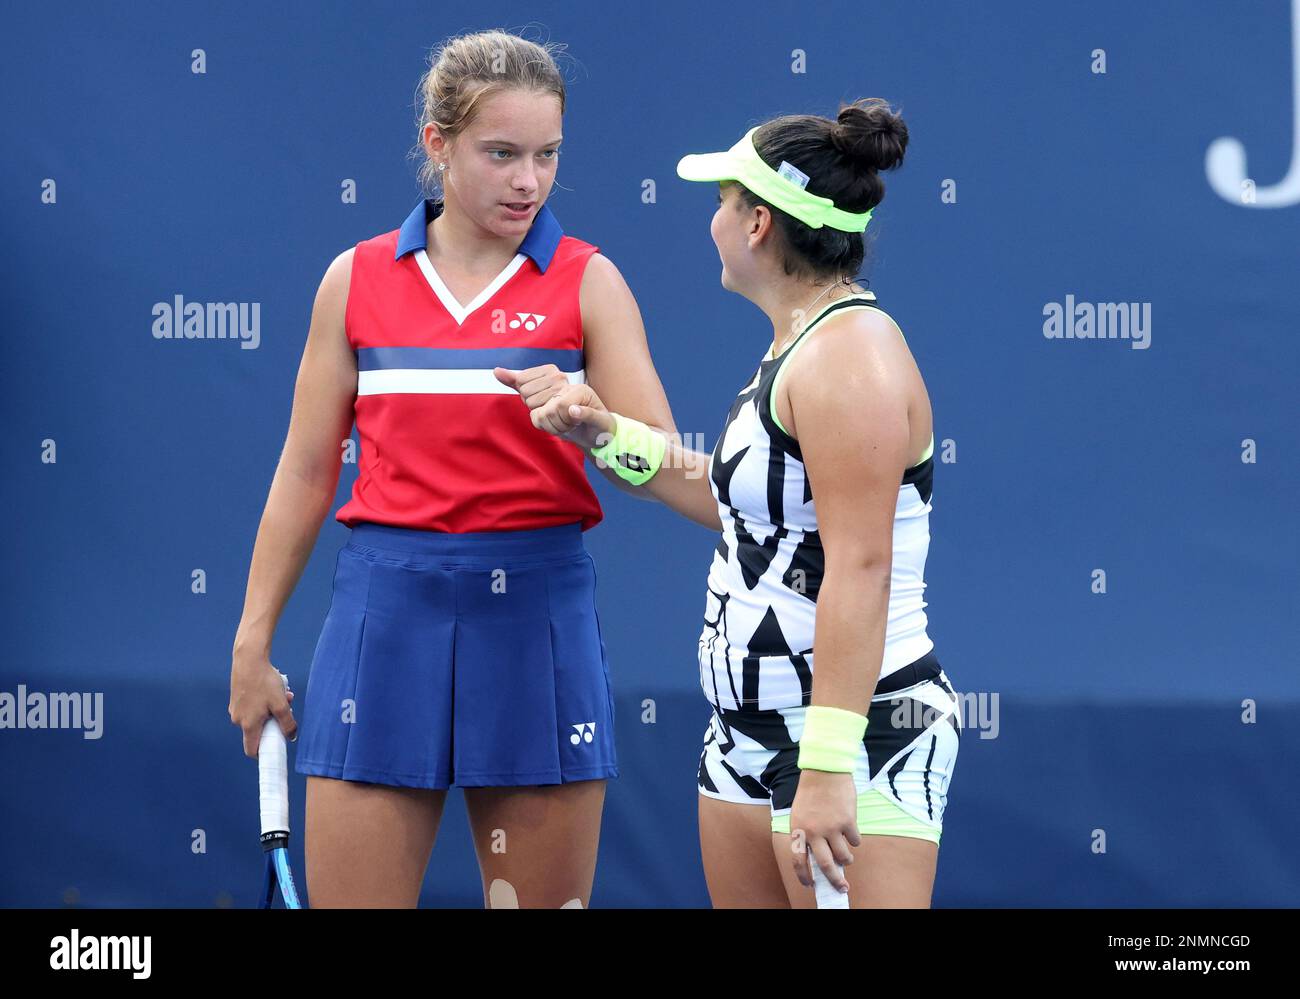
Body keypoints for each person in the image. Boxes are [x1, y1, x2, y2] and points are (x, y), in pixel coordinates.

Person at [227, 29, 675, 908]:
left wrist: (594, 423)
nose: (528, 181)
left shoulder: (590, 282)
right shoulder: (353, 280)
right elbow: (307, 470)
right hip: (384, 622)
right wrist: (251, 639)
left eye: (547, 156)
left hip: (536, 621)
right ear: (437, 145)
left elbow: (656, 458)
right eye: (501, 153)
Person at [507, 99, 961, 908]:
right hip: (743, 737)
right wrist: (603, 430)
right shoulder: (800, 345)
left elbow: (861, 567)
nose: (711, 218)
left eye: (721, 201)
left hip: (858, 738)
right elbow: (746, 506)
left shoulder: (850, 359)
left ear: (757, 224)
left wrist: (826, 763)